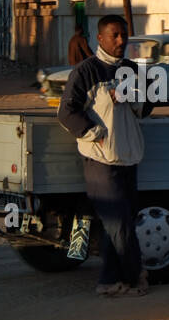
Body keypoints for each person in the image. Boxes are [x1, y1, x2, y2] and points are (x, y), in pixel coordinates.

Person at [56, 15, 148, 296]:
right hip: (100, 161)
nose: (121, 41)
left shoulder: (132, 69)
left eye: (124, 35)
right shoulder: (85, 71)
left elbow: (146, 108)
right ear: (100, 38)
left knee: (116, 224)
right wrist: (96, 133)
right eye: (114, 35)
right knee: (119, 224)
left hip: (129, 157)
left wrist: (131, 96)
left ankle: (109, 281)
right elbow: (66, 112)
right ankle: (135, 278)